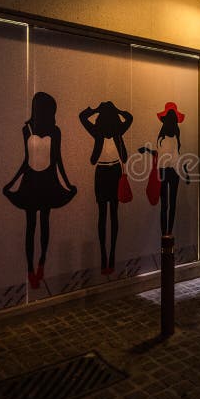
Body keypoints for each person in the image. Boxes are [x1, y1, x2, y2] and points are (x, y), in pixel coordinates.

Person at [4, 92, 77, 289]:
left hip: (47, 180)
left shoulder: (55, 131)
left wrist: (67, 184)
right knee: (31, 226)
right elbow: (26, 161)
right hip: (31, 180)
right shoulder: (26, 129)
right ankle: (30, 268)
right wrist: (12, 182)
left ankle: (41, 263)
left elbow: (58, 160)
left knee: (43, 223)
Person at [79, 101, 133, 276]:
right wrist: (115, 110)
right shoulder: (107, 131)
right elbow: (129, 117)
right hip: (106, 171)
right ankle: (105, 257)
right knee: (109, 215)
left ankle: (109, 256)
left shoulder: (102, 131)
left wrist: (95, 110)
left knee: (107, 215)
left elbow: (83, 117)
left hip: (107, 172)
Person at [139, 102, 188, 236]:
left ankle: (166, 233)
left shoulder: (162, 138)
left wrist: (147, 150)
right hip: (172, 172)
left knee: (166, 205)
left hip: (165, 171)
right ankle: (167, 233)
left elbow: (169, 155)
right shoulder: (173, 137)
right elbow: (175, 155)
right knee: (170, 205)